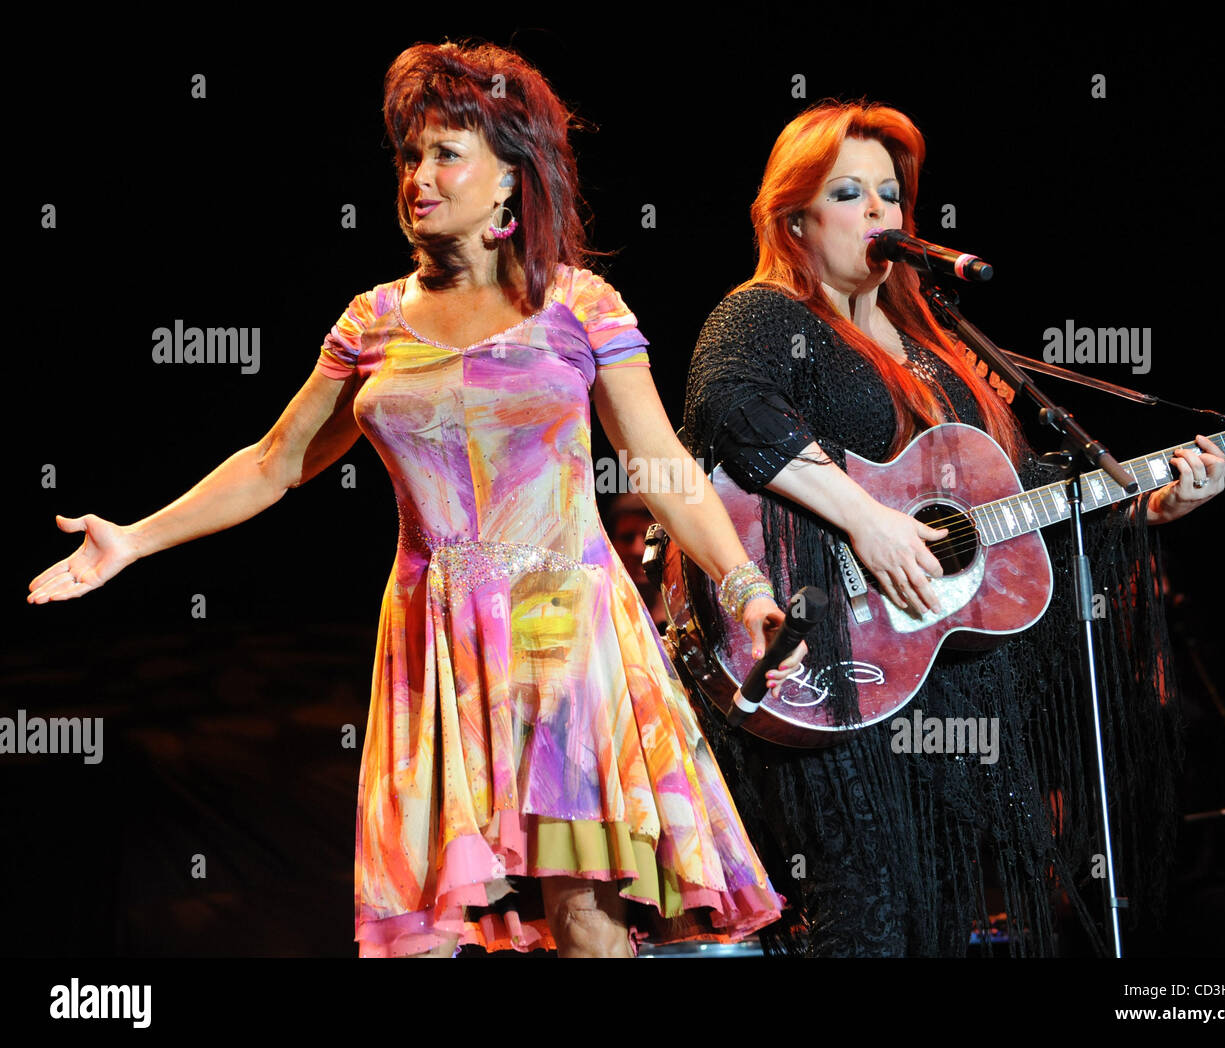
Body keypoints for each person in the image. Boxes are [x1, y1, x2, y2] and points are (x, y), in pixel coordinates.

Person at [26, 41, 806, 959]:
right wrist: (133, 541)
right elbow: (275, 461)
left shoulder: (578, 307)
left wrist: (746, 587)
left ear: (512, 179)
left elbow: (660, 463)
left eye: (445, 153)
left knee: (585, 903)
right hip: (431, 635)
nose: (418, 176)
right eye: (409, 156)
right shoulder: (373, 321)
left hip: (559, 617)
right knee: (421, 918)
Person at [679, 100, 1225, 957]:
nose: (879, 214)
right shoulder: (765, 315)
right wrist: (869, 525)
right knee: (867, 909)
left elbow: (1014, 490)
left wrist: (1147, 500)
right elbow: (731, 409)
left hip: (936, 674)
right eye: (850, 193)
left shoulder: (931, 344)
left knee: (947, 910)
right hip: (827, 656)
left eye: (890, 196)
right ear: (794, 217)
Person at [604, 493, 667, 631]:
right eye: (627, 538)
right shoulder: (599, 617)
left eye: (649, 540)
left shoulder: (692, 617)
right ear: (610, 544)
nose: (636, 550)